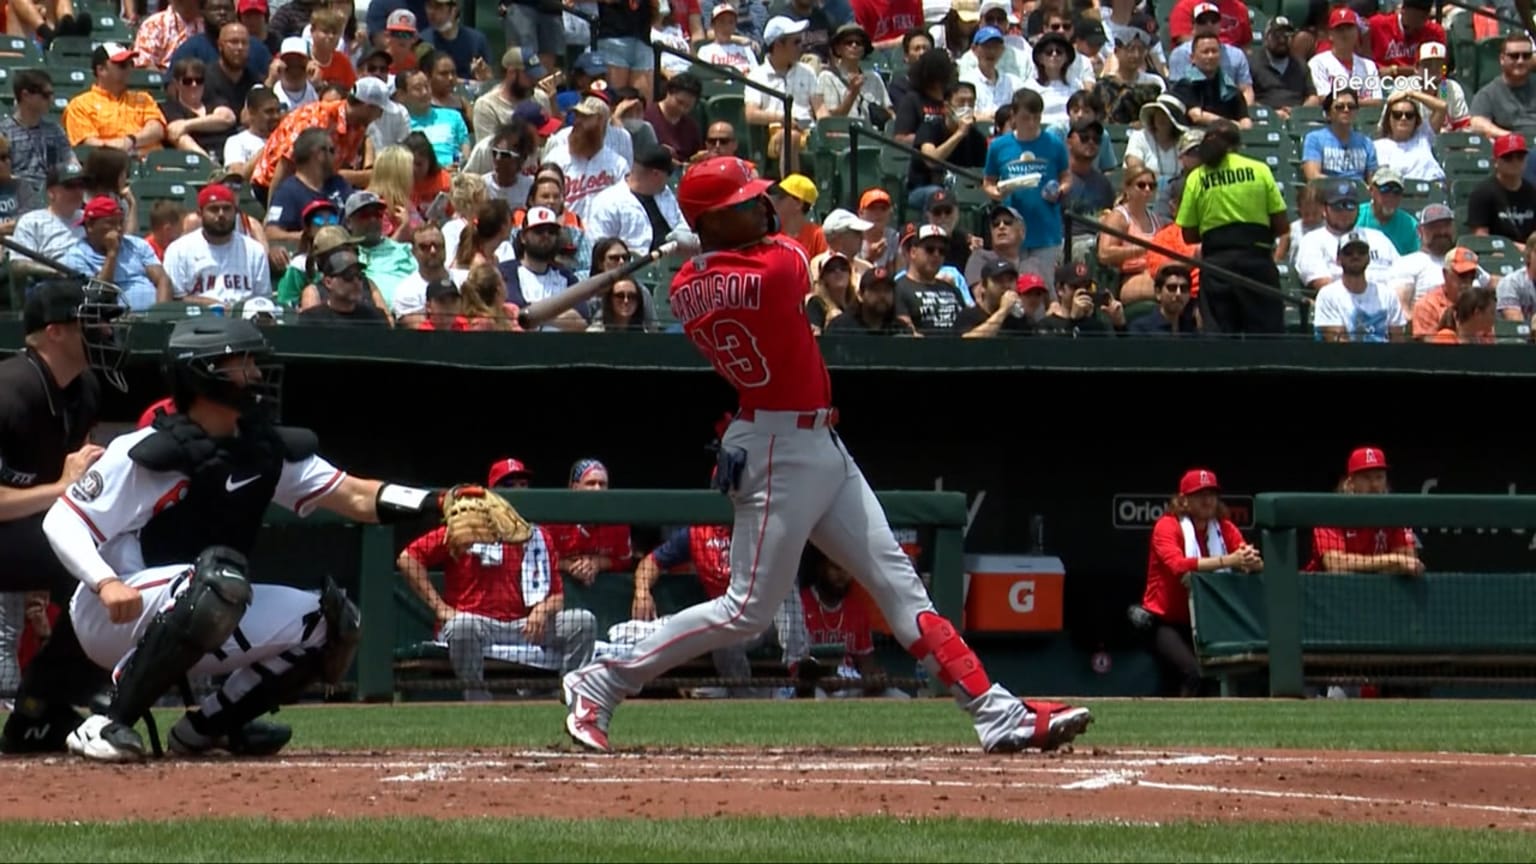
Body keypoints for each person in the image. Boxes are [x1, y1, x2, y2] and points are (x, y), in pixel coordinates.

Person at [559, 156, 1093, 754]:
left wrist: (704, 247)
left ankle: (995, 712)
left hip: (815, 442)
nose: (763, 207)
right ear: (714, 221)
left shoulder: (685, 285)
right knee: (747, 613)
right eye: (746, 203)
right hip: (776, 449)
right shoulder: (771, 271)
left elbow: (734, 255)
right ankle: (602, 679)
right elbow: (790, 251)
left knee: (901, 589)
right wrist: (712, 242)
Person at [13, 318, 454, 762]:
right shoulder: (148, 450)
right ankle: (110, 724)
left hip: (204, 602)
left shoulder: (262, 447)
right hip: (113, 614)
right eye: (242, 364)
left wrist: (443, 502)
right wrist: (105, 582)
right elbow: (61, 522)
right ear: (203, 373)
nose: (258, 375)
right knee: (218, 583)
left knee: (331, 621)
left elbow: (358, 496)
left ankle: (208, 728)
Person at [0, 282, 123, 725]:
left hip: (25, 531)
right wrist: (62, 488)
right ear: (54, 332)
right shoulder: (10, 390)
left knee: (112, 560)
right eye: (90, 324)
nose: (105, 332)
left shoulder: (84, 388)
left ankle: (43, 699)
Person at [1137, 468, 1262, 697]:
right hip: (1165, 622)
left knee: (1216, 676)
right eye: (1199, 494)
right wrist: (1229, 560)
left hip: (1207, 620)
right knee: (1192, 673)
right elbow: (1178, 565)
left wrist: (1250, 561)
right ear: (1184, 499)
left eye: (1212, 494)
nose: (1207, 500)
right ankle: (1181, 728)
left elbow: (1249, 559)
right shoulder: (1167, 526)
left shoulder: (1224, 528)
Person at [1175, 119, 1289, 335]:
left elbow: (1188, 234)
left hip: (1217, 266)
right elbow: (1281, 224)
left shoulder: (1197, 178)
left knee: (1221, 341)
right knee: (1267, 341)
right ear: (1239, 145)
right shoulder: (1260, 170)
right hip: (1257, 262)